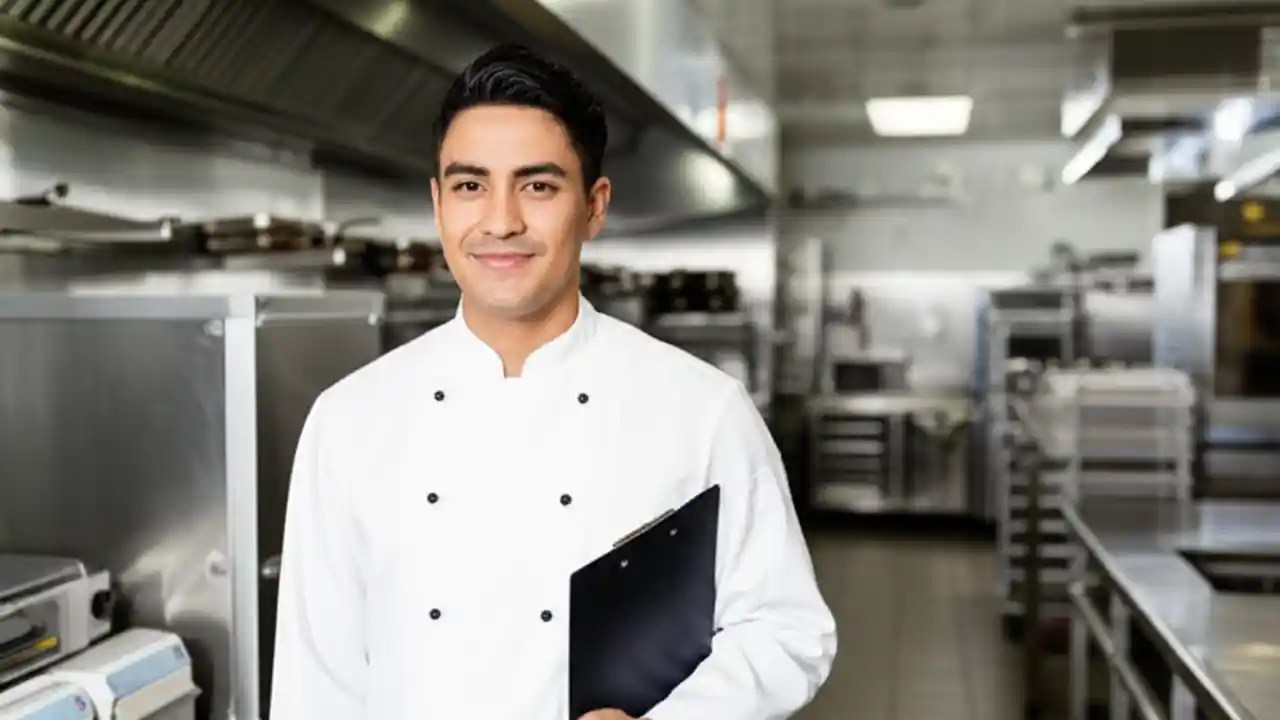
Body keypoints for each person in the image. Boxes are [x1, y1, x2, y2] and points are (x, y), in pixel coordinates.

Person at [270, 44, 836, 719]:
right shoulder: (349, 420)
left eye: (537, 185)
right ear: (438, 202)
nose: (501, 220)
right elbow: (315, 680)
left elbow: (787, 631)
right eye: (469, 185)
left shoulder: (699, 408)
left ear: (593, 206)